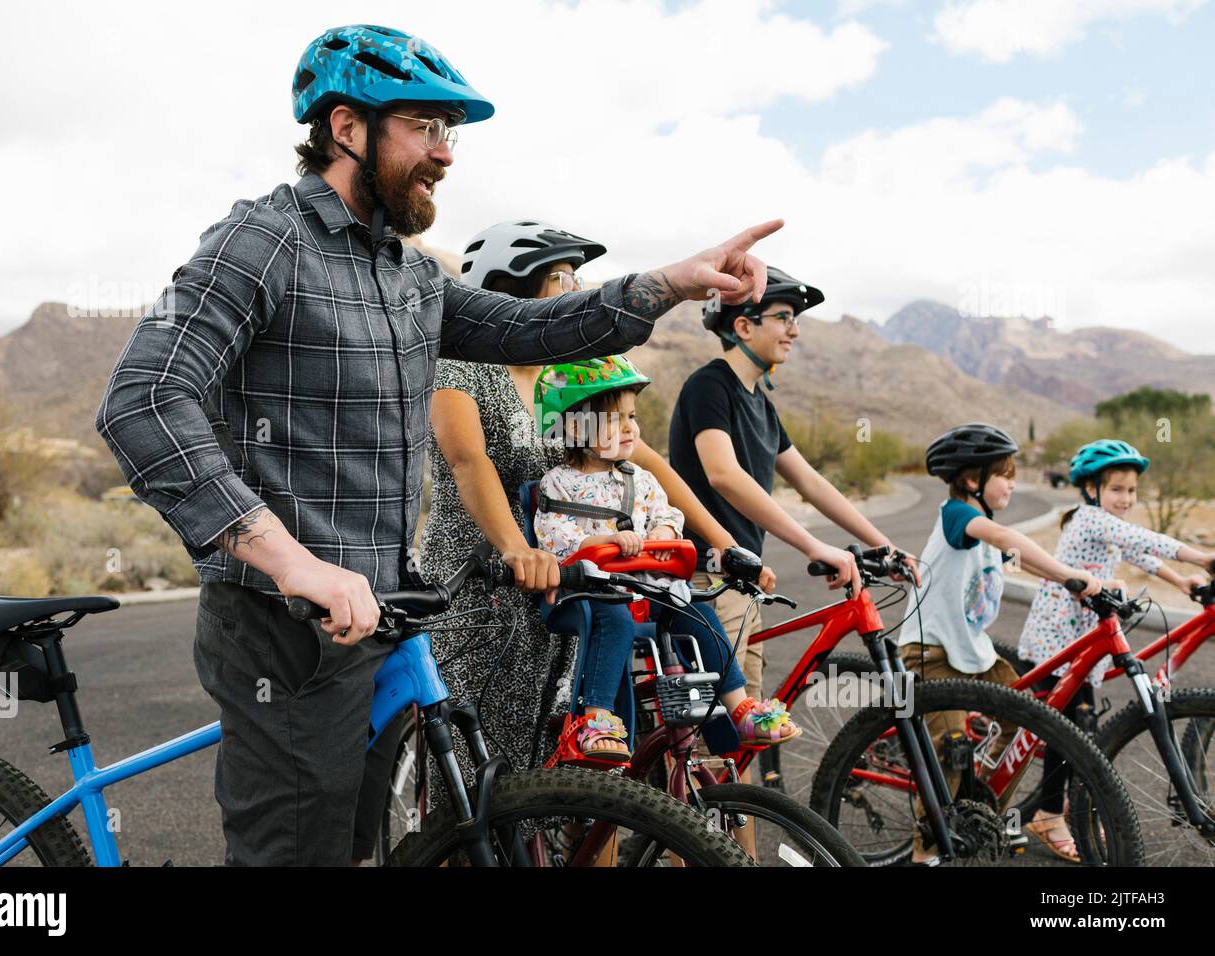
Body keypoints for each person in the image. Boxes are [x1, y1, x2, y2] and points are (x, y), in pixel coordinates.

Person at [95, 23, 784, 865]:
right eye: (425, 126)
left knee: (375, 843)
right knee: (296, 853)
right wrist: (287, 559)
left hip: (382, 609)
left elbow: (539, 326)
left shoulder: (410, 274)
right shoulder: (266, 239)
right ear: (347, 128)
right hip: (282, 621)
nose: (446, 153)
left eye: (446, 131)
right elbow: (144, 399)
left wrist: (669, 283)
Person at [367, 221, 759, 832]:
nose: (576, 289)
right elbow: (469, 462)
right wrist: (517, 548)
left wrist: (724, 542)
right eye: (562, 278)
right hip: (482, 586)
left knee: (562, 773)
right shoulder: (458, 368)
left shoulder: (568, 378)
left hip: (564, 583)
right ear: (508, 287)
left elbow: (646, 459)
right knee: (479, 777)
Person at [668, 266, 918, 707]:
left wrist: (885, 546)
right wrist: (811, 545)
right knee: (714, 743)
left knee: (746, 734)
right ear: (744, 325)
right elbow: (722, 474)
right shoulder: (708, 386)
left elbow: (811, 483)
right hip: (708, 582)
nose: (795, 331)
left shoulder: (760, 402)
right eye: (784, 317)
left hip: (741, 586)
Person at [532, 356, 799, 761]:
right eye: (612, 419)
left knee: (693, 607)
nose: (628, 428)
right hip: (590, 592)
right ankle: (595, 719)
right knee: (613, 617)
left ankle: (738, 704)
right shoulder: (559, 483)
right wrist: (604, 540)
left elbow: (666, 512)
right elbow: (554, 537)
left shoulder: (640, 478)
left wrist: (664, 532)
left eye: (632, 416)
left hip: (645, 587)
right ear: (573, 428)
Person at [896, 423, 1103, 865]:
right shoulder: (958, 514)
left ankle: (978, 803)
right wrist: (1074, 576)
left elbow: (1023, 556)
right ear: (973, 481)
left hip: (970, 650)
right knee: (949, 750)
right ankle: (926, 851)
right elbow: (1010, 541)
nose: (1012, 481)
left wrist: (1074, 581)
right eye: (1005, 473)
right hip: (931, 651)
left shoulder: (984, 523)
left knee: (1026, 719)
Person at [1016, 438, 1214, 861]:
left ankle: (1068, 806)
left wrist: (1180, 580)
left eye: (1132, 490)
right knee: (1064, 730)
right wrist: (1199, 556)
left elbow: (1136, 551)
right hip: (1061, 638)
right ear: (1091, 490)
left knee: (1081, 726)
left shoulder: (1102, 521)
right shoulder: (1089, 519)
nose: (1126, 498)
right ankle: (1048, 815)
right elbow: (1138, 536)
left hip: (1085, 638)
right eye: (1117, 489)